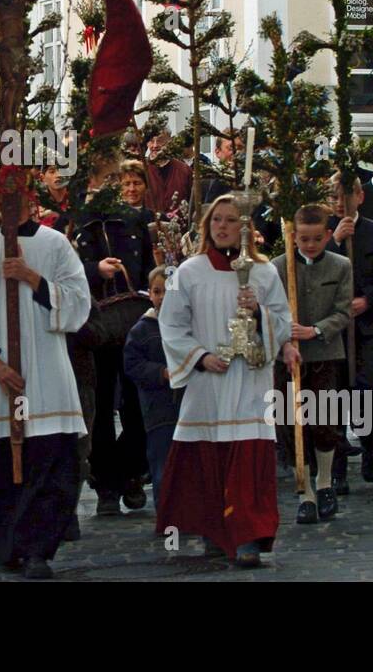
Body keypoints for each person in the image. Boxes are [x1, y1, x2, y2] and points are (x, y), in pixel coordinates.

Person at [0, 179, 93, 579]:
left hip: (46, 376)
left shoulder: (55, 245)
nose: (9, 206)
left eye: (18, 199)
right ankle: (9, 547)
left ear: (30, 201)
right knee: (2, 472)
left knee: (52, 467)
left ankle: (38, 550)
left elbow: (79, 304)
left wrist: (33, 278)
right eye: (2, 199)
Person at [155, 194, 290, 567]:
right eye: (217, 220)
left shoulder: (264, 273)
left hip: (249, 379)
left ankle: (246, 536)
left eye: (231, 220)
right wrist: (199, 357)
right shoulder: (189, 272)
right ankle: (214, 531)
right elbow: (170, 323)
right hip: (209, 381)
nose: (222, 227)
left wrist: (259, 312)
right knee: (207, 456)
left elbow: (282, 322)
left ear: (246, 227)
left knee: (247, 456)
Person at [71, 163, 156, 516]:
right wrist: (95, 270)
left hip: (134, 322)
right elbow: (68, 271)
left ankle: (131, 472)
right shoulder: (80, 222)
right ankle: (106, 483)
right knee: (102, 408)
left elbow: (149, 268)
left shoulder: (137, 222)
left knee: (138, 408)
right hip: (98, 324)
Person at [272, 204, 354, 524]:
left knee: (324, 422)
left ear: (328, 235)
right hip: (287, 357)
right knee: (293, 426)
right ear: (293, 237)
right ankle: (303, 492)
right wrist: (284, 336)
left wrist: (315, 330)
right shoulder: (278, 267)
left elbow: (344, 311)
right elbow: (269, 311)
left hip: (324, 354)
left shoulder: (340, 266)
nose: (310, 245)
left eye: (317, 239)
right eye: (303, 239)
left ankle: (324, 485)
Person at [327, 173, 373, 486]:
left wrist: (367, 300)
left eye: (347, 196)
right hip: (333, 328)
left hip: (368, 326)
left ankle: (371, 447)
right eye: (334, 198)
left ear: (359, 197)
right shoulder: (323, 233)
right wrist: (335, 242)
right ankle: (337, 464)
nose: (341, 204)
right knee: (335, 395)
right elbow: (310, 271)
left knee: (367, 392)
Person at [121, 266, 177, 505]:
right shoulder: (142, 329)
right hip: (158, 409)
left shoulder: (187, 325)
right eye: (157, 291)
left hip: (188, 406)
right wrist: (160, 373)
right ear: (150, 294)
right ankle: (167, 515)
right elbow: (132, 364)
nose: (162, 297)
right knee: (162, 462)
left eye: (168, 291)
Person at [143, 132, 193, 216]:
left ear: (169, 141)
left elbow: (192, 205)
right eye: (151, 141)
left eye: (160, 140)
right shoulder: (141, 170)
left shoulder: (184, 170)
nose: (155, 146)